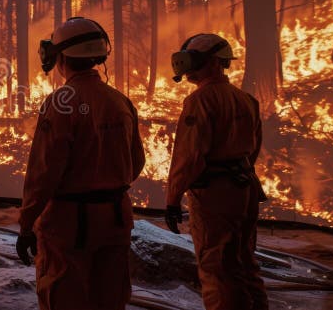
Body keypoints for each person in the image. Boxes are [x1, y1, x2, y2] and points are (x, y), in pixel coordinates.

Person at [17, 17, 146, 310]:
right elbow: (136, 162)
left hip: (68, 225)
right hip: (115, 220)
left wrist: (27, 223)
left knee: (64, 297)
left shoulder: (59, 103)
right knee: (109, 300)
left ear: (61, 57)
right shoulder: (120, 101)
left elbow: (43, 174)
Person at [165, 33, 268, 310]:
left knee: (217, 268)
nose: (187, 68)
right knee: (245, 262)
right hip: (244, 188)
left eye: (193, 60)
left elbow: (189, 157)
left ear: (212, 62)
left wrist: (173, 199)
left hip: (215, 195)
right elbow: (253, 150)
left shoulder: (200, 101)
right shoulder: (245, 99)